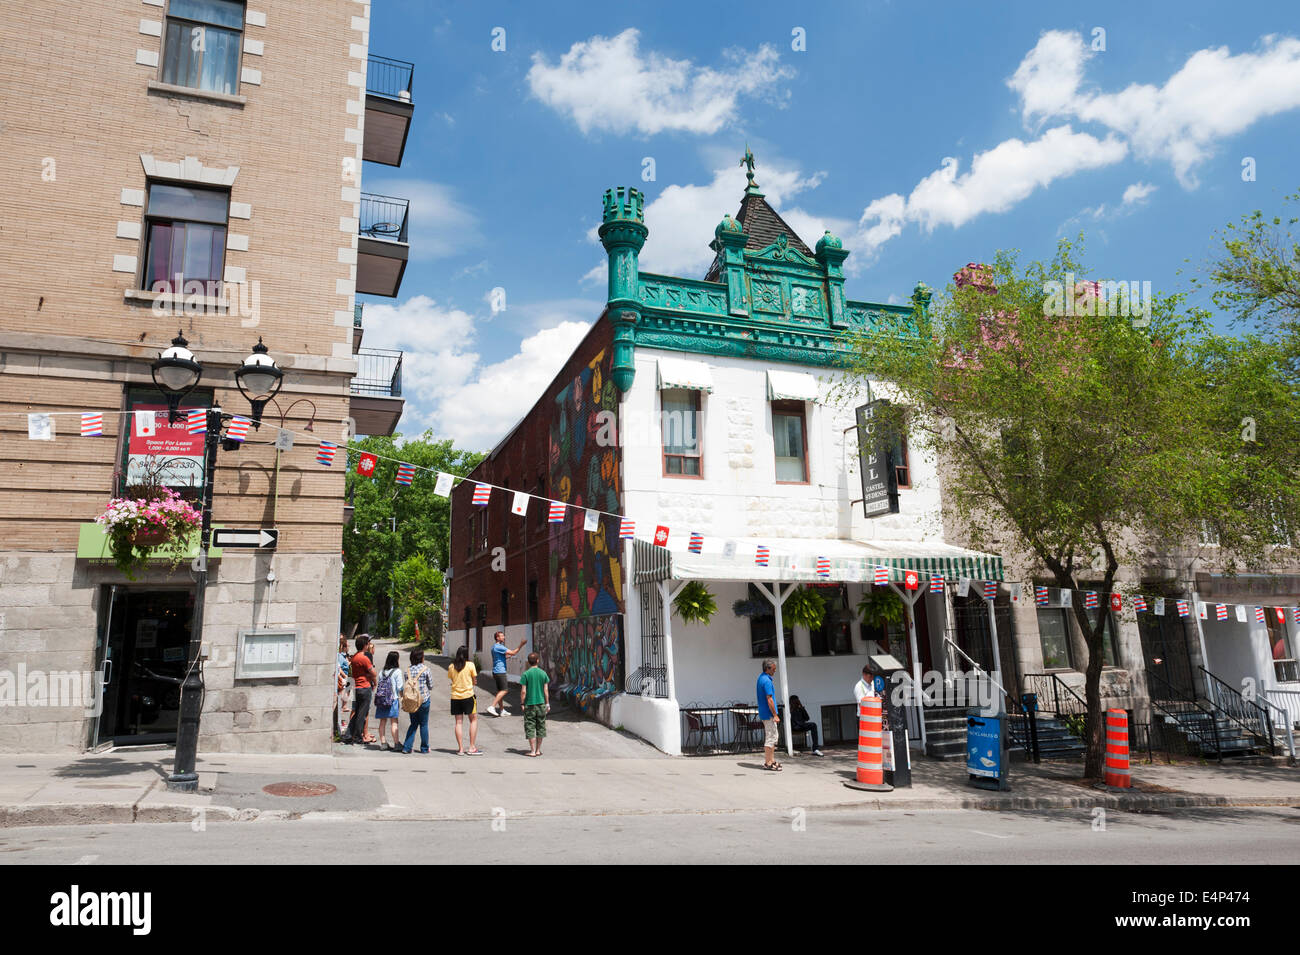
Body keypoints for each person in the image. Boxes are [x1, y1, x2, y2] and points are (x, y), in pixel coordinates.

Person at [342, 634, 377, 745]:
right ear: (365, 645)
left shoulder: (355, 657)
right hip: (364, 687)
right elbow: (374, 673)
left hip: (356, 686)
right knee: (362, 714)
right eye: (367, 644)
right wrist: (375, 683)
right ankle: (357, 736)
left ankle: (348, 735)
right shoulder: (364, 658)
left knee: (357, 713)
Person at [447, 645, 482, 755]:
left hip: (455, 697)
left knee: (458, 722)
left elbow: (452, 679)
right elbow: (474, 681)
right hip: (468, 696)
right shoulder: (470, 665)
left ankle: (460, 749)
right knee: (473, 720)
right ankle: (471, 747)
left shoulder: (451, 666)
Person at [485, 631, 527, 717]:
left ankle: (502, 710)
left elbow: (502, 657)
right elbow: (513, 652)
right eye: (502, 636)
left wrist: (507, 656)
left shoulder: (494, 647)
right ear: (497, 637)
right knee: (504, 690)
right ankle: (492, 706)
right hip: (500, 671)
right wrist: (521, 644)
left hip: (496, 671)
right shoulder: (499, 647)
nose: (504, 637)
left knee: (500, 691)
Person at [402, 648, 434, 754]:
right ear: (422, 658)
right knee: (424, 724)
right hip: (424, 700)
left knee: (413, 724)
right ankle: (424, 748)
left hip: (411, 700)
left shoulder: (407, 671)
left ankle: (407, 747)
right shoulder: (426, 669)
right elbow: (431, 685)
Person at [518, 652, 550, 757]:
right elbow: (546, 690)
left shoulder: (526, 674)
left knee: (530, 726)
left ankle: (532, 751)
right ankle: (538, 750)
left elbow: (523, 691)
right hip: (541, 703)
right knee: (540, 726)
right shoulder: (543, 673)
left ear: (528, 662)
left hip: (529, 704)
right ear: (537, 661)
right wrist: (547, 703)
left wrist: (522, 703)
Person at [373, 650, 403, 751]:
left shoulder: (382, 671)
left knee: (382, 721)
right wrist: (402, 697)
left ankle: (383, 743)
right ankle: (396, 743)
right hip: (393, 699)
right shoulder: (397, 671)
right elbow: (400, 687)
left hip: (382, 699)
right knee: (394, 722)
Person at [757, 659, 781, 771]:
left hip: (765, 713)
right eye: (773, 668)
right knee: (770, 737)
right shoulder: (766, 681)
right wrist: (775, 714)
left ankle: (771, 760)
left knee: (773, 736)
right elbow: (769, 699)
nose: (775, 670)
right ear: (768, 668)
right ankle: (768, 762)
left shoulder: (761, 678)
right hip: (768, 714)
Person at [334, 635, 351, 737]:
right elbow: (338, 668)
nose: (348, 647)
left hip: (344, 677)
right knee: (341, 695)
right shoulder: (339, 656)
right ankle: (343, 708)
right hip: (342, 678)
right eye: (347, 645)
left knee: (345, 694)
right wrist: (343, 678)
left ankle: (344, 707)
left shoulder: (342, 655)